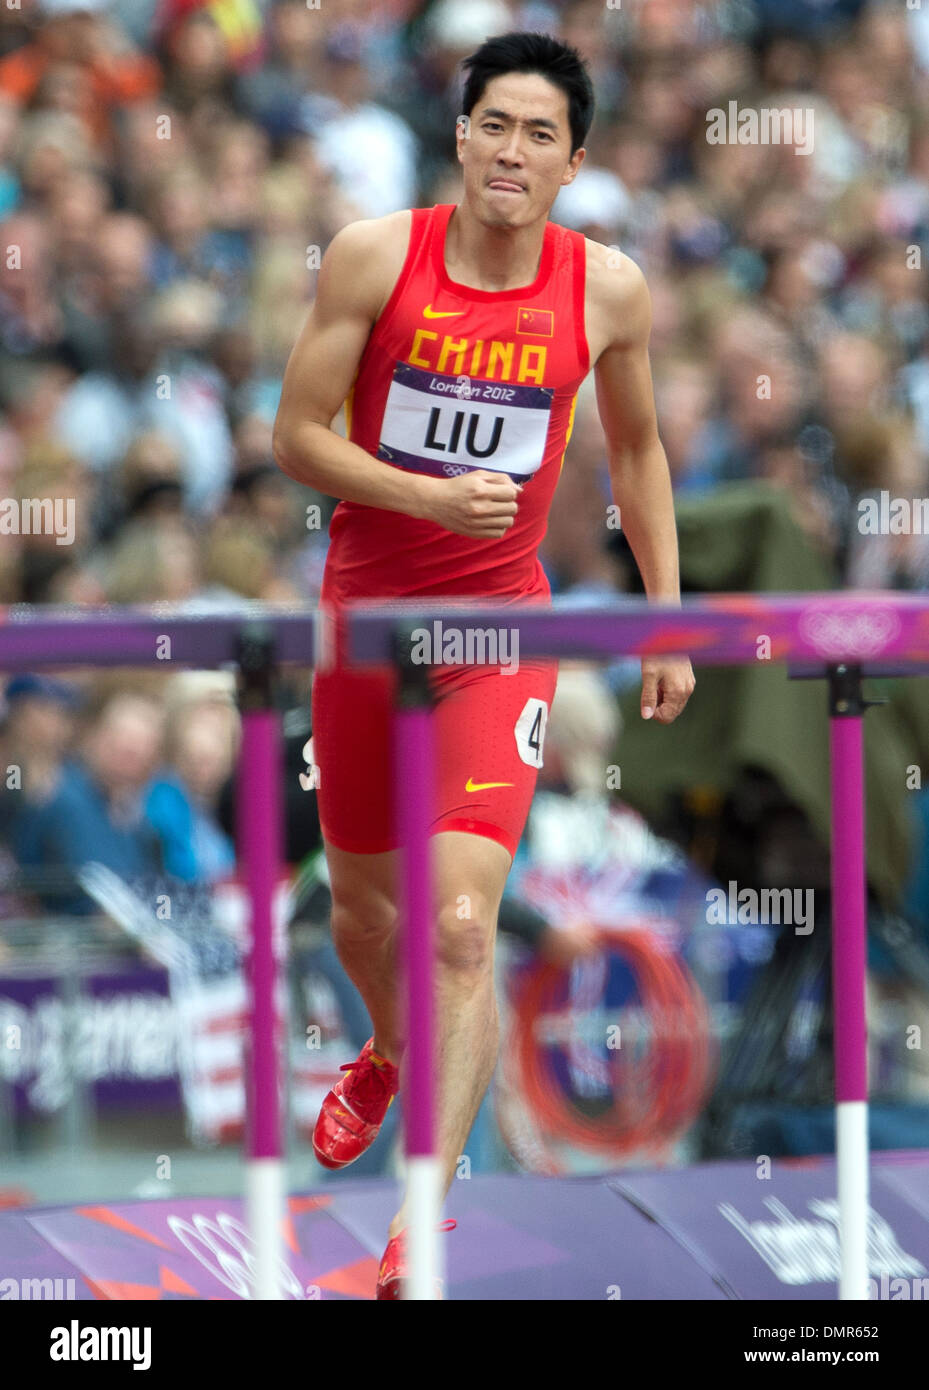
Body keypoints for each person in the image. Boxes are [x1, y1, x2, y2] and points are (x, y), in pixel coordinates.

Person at [272, 30, 695, 1299]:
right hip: (362, 620)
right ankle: (392, 1049)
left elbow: (638, 455)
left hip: (497, 633)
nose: (512, 152)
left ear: (574, 161)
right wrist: (414, 490)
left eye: (539, 134)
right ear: (459, 136)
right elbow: (293, 434)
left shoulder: (605, 290)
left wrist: (665, 616)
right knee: (361, 915)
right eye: (493, 126)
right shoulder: (372, 256)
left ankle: (414, 1227)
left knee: (461, 924)